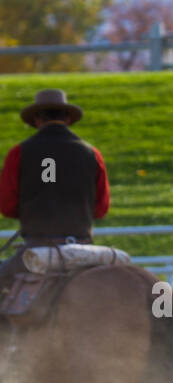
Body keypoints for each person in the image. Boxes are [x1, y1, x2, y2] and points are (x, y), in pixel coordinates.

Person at [0, 89, 111, 297]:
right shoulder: (92, 154)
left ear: (36, 120)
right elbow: (101, 209)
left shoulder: (19, 153)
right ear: (68, 118)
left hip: (37, 245)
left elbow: (7, 207)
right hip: (82, 246)